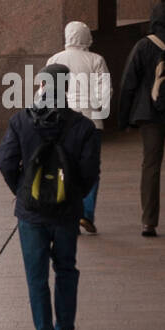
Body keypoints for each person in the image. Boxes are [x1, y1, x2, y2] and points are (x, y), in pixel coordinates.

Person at [0, 64, 100, 330]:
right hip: (66, 212)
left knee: (36, 275)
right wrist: (74, 195)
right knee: (66, 268)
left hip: (31, 214)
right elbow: (90, 170)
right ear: (66, 88)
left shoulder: (20, 121)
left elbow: (6, 161)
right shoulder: (83, 126)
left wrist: (22, 192)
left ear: (41, 86)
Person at [118, 1, 165, 237]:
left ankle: (149, 222)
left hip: (150, 115)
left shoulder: (144, 46)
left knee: (150, 165)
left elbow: (128, 84)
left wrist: (124, 120)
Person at [46, 21, 112, 234]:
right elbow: (106, 90)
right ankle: (85, 213)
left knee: (63, 166)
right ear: (87, 37)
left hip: (61, 122)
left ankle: (64, 213)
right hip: (91, 121)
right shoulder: (96, 59)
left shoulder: (55, 59)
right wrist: (97, 108)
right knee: (91, 167)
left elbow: (44, 92)